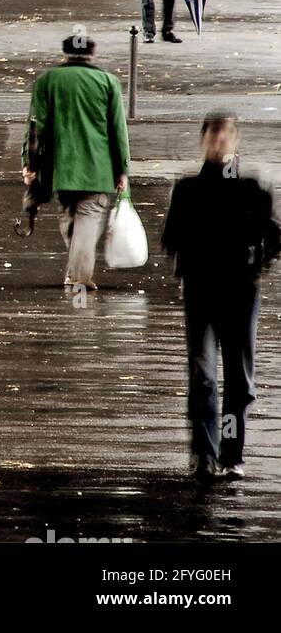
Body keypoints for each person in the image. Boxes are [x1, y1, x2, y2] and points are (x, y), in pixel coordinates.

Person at [161, 113, 281, 484]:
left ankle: (228, 454)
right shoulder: (194, 189)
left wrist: (257, 264)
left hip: (235, 290)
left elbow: (274, 236)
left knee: (235, 380)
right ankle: (206, 454)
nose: (219, 145)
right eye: (215, 138)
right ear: (204, 141)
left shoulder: (250, 189)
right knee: (204, 376)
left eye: (225, 138)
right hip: (210, 289)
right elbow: (172, 237)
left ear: (234, 142)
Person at [22, 35, 131, 290]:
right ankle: (79, 276)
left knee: (69, 217)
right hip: (98, 167)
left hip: (60, 168)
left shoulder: (47, 81)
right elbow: (118, 130)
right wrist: (122, 169)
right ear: (92, 54)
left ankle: (75, 272)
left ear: (65, 54)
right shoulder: (107, 82)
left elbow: (36, 128)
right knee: (87, 220)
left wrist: (30, 164)